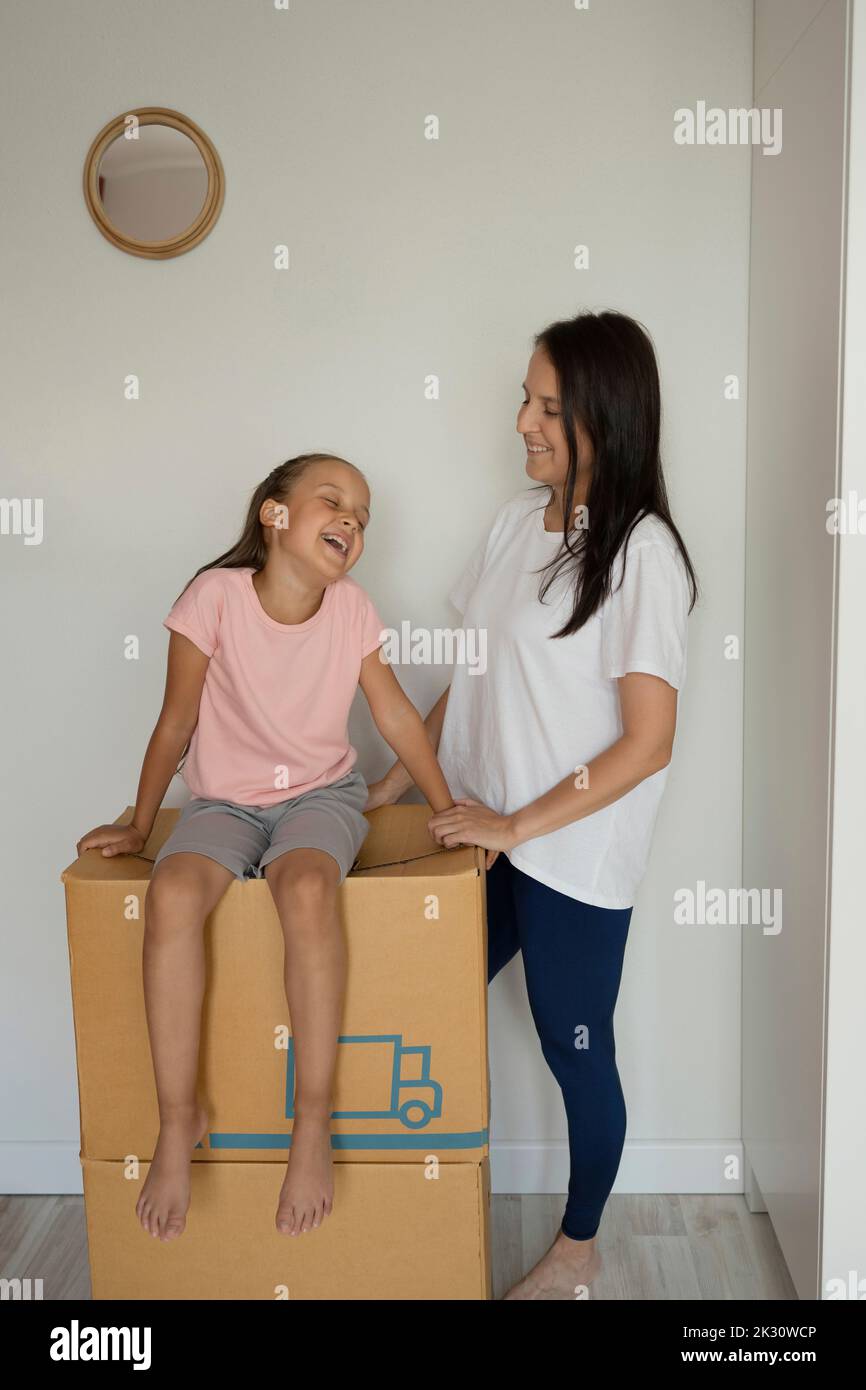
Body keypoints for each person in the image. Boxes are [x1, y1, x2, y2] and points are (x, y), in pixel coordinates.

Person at [366, 310, 698, 1300]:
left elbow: (647, 740)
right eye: (524, 397)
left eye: (546, 405)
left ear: (606, 414)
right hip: (481, 827)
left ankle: (577, 1249)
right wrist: (393, 771)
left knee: (571, 1040)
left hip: (569, 850)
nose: (522, 421)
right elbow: (470, 669)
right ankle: (402, 1194)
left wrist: (515, 827)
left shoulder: (642, 554)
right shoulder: (516, 522)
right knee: (412, 995)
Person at [75, 453, 455, 1243]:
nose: (351, 520)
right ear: (273, 516)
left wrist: (444, 809)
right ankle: (179, 1120)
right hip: (224, 803)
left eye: (363, 514)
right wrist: (144, 826)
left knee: (308, 888)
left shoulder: (350, 610)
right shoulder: (213, 598)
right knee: (172, 894)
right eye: (332, 502)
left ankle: (310, 1123)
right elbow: (176, 722)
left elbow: (393, 717)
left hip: (321, 796)